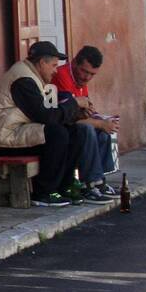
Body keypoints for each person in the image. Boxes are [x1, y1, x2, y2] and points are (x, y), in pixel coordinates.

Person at [0, 40, 105, 206]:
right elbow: (45, 116)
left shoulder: (32, 76)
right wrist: (75, 103)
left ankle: (64, 186)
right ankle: (44, 192)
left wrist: (76, 115)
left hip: (19, 131)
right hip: (3, 138)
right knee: (57, 134)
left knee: (75, 131)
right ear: (42, 63)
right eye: (54, 65)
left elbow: (50, 113)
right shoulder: (23, 79)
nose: (55, 71)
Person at [52, 46, 120, 201]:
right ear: (75, 63)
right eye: (84, 71)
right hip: (60, 126)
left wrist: (101, 120)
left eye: (92, 74)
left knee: (103, 131)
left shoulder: (80, 79)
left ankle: (99, 182)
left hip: (72, 123)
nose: (87, 77)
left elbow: (86, 109)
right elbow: (69, 115)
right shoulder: (62, 76)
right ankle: (88, 184)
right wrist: (100, 123)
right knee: (88, 129)